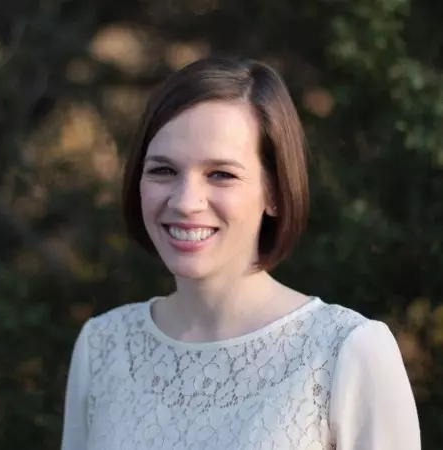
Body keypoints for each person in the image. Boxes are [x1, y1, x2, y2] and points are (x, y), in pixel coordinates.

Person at [61, 57, 420, 450]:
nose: (185, 202)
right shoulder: (102, 346)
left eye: (221, 174)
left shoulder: (346, 351)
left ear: (276, 193)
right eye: (163, 171)